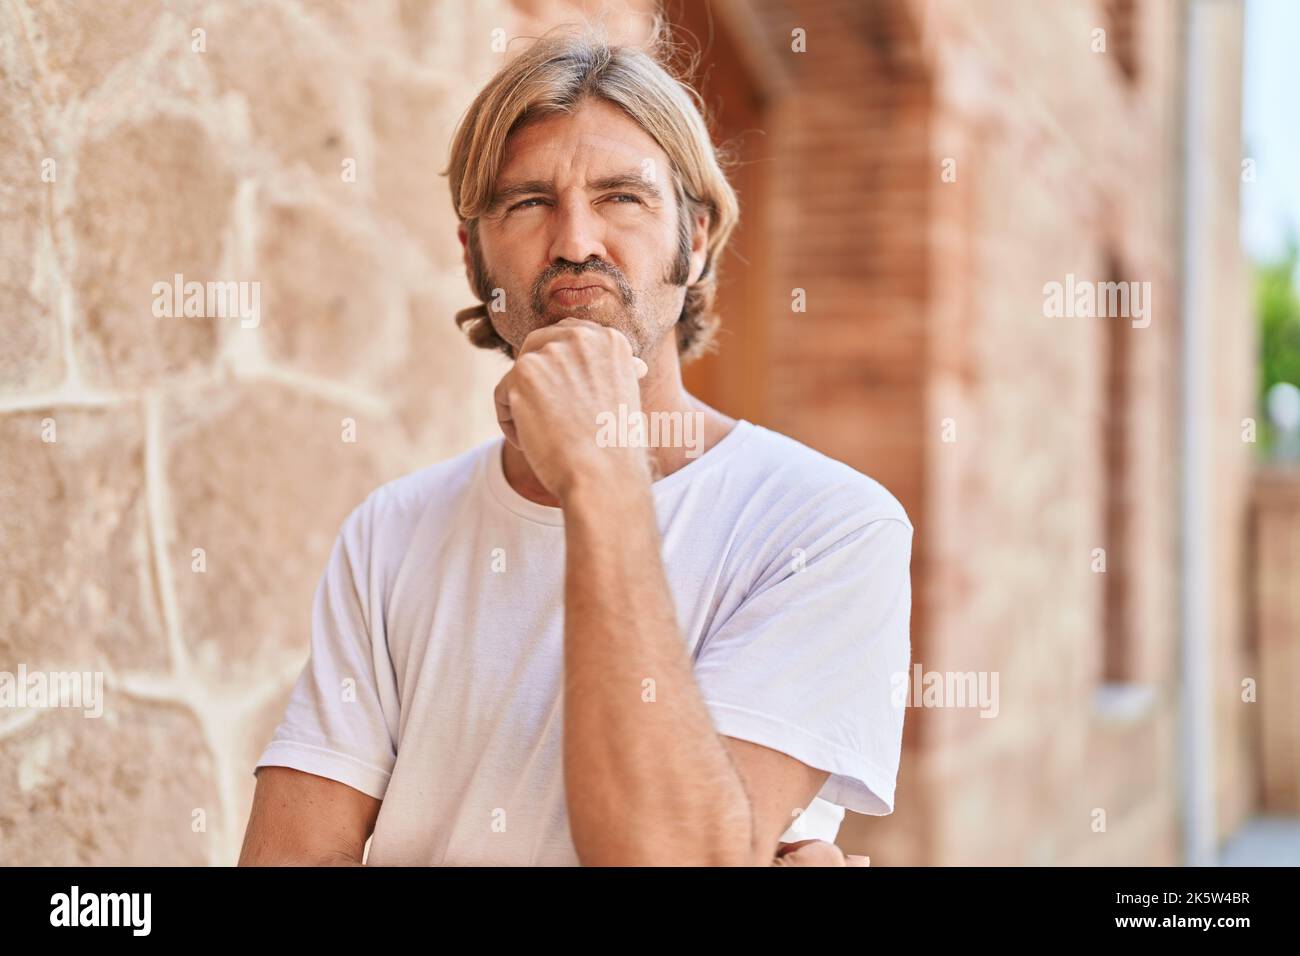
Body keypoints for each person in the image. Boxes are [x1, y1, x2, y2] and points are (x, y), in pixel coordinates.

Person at [239, 22, 910, 867]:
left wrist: (601, 475)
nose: (577, 243)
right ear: (473, 255)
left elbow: (672, 857)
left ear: (695, 239)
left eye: (623, 197)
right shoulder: (393, 530)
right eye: (527, 204)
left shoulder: (827, 528)